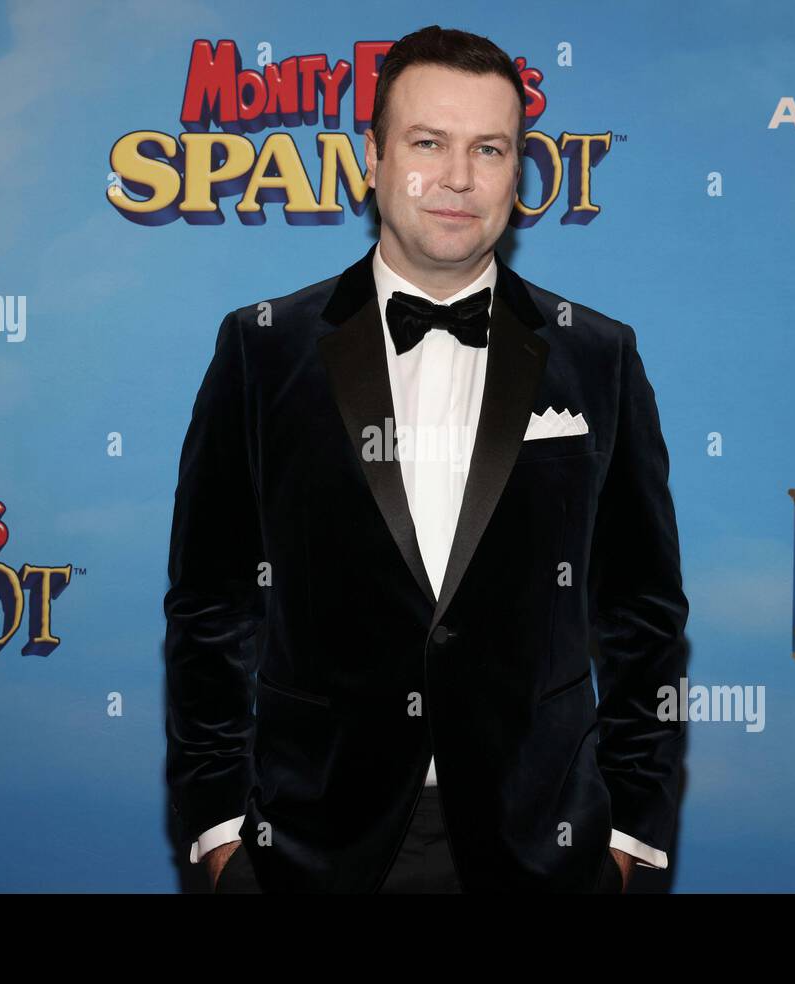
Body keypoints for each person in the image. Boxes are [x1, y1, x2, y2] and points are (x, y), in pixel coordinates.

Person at [163, 24, 689, 893]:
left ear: (519, 172)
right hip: (312, 845)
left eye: (489, 149)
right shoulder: (262, 348)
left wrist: (631, 832)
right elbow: (210, 607)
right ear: (372, 158)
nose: (457, 177)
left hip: (543, 846)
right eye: (427, 143)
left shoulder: (598, 354)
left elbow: (643, 612)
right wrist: (220, 829)